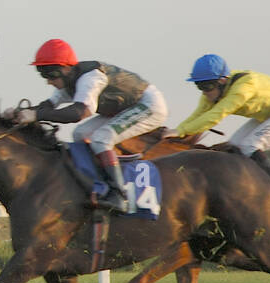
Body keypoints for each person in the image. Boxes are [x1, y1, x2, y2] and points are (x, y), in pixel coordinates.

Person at [12, 39, 167, 213]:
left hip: (148, 105)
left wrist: (36, 115)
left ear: (66, 68)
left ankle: (119, 194)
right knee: (80, 134)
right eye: (42, 74)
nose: (48, 81)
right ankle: (96, 182)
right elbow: (47, 106)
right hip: (123, 109)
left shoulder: (90, 78)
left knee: (101, 139)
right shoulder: (67, 81)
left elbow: (79, 113)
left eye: (50, 74)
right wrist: (20, 113)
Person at [171, 55, 270, 170]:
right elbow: (197, 115)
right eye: (199, 86)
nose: (204, 91)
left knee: (249, 146)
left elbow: (214, 117)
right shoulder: (212, 92)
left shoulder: (242, 88)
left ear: (222, 81)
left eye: (207, 86)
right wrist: (176, 131)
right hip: (269, 115)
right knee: (234, 146)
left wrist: (180, 131)